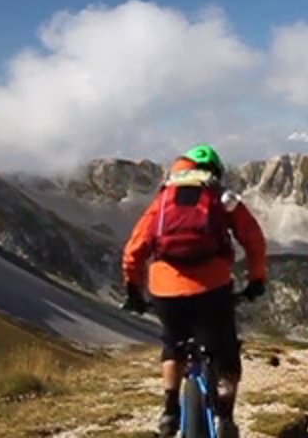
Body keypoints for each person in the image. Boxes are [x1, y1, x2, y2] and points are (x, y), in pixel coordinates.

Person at [121, 144, 267, 438]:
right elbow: (254, 240)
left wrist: (133, 291)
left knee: (173, 345)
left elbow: (134, 250)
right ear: (214, 170)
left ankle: (170, 409)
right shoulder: (221, 197)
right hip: (211, 288)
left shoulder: (162, 200)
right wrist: (256, 280)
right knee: (226, 354)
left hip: (164, 289)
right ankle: (225, 418)